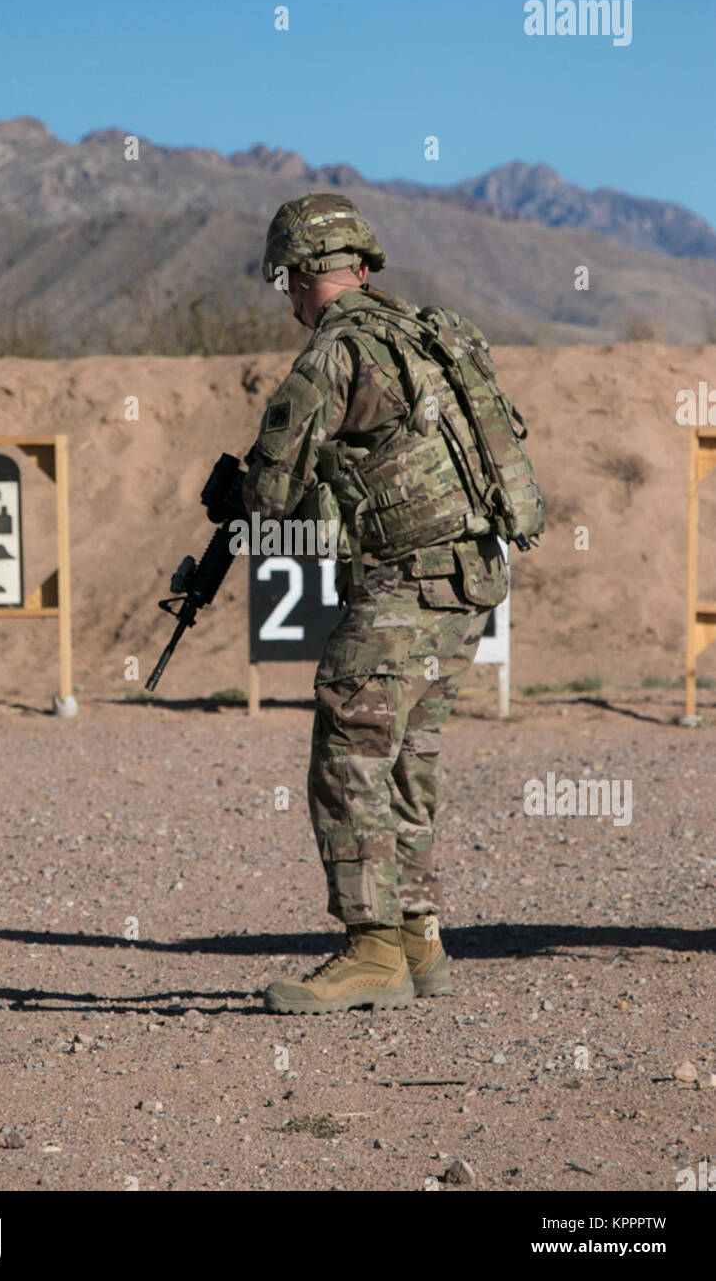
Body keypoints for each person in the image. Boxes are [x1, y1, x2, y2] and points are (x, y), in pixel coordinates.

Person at [241, 194, 514, 1014]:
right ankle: (420, 938)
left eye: (289, 281)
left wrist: (242, 490)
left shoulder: (335, 353)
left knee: (350, 742)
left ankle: (370, 949)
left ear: (296, 276)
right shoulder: (434, 333)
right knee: (407, 752)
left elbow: (271, 492)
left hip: (406, 580)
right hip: (470, 578)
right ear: (362, 265)